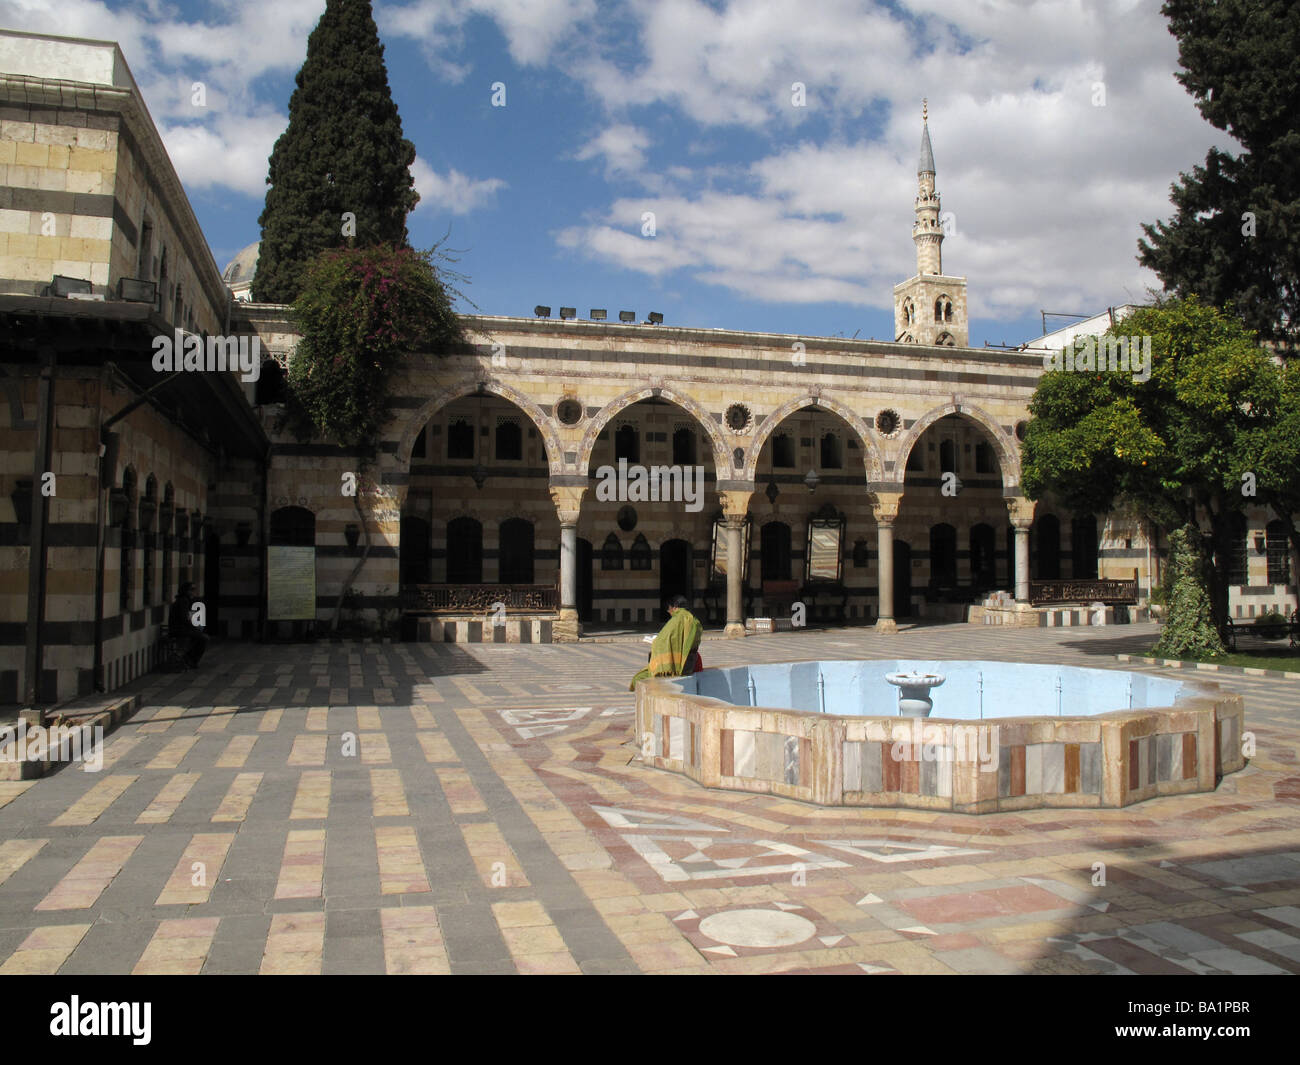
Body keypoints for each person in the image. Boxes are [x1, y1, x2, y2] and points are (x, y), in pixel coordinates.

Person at [629, 594, 703, 690]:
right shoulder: (694, 620)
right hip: (691, 662)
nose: (669, 612)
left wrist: (655, 641)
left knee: (638, 678)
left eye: (669, 609)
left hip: (677, 666)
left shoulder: (679, 618)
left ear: (675, 607)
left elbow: (664, 640)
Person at [168, 582, 208, 669]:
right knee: (203, 638)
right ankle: (191, 660)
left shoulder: (184, 600)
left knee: (199, 637)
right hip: (180, 629)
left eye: (194, 589)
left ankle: (189, 659)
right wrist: (194, 627)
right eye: (192, 590)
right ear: (186, 591)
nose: (194, 592)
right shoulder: (183, 601)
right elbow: (184, 618)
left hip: (180, 628)